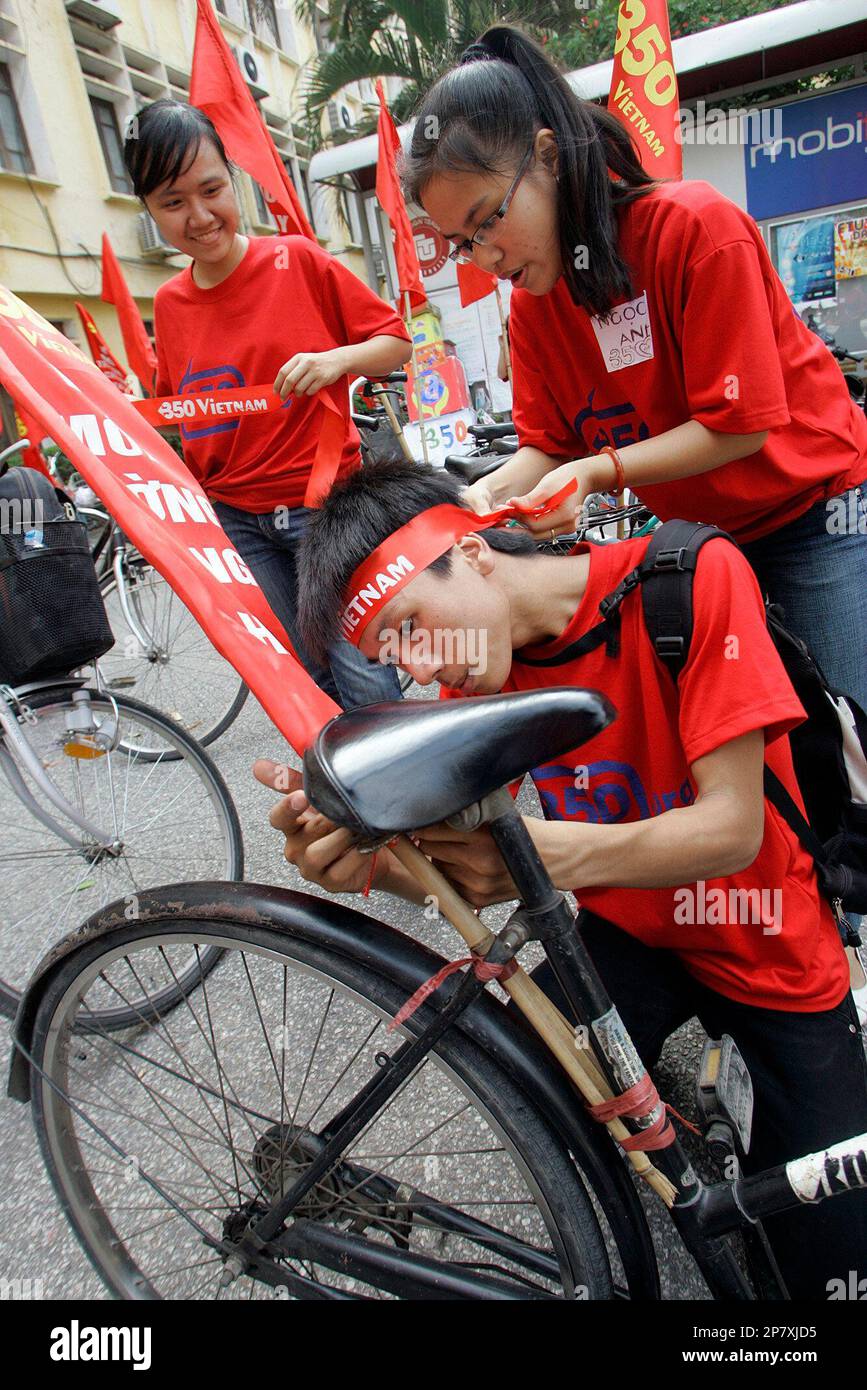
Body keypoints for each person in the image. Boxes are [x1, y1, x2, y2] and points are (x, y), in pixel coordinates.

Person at [254, 459, 867, 1300]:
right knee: (523, 1089)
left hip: (764, 932)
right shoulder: (479, 664)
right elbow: (464, 875)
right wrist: (358, 865)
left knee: (828, 1263)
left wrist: (541, 862)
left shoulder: (686, 580)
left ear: (469, 551)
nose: (421, 670)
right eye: (389, 657)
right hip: (623, 935)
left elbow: (731, 830)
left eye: (409, 626)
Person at [397, 26, 867, 715]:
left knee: (846, 737)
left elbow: (739, 430)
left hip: (812, 517)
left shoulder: (694, 231)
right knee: (756, 742)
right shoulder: (533, 305)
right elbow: (548, 445)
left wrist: (595, 473)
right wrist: (473, 503)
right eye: (463, 245)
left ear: (548, 158)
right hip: (705, 544)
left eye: (487, 221)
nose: (486, 258)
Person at [123, 99, 411, 709]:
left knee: (363, 676)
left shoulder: (297, 260)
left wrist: (336, 361)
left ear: (234, 178)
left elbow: (394, 344)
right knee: (308, 679)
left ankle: (414, 799)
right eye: (173, 203)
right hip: (237, 523)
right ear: (148, 209)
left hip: (326, 506)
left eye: (211, 189)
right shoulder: (170, 306)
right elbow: (182, 414)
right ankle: (354, 800)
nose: (199, 217)